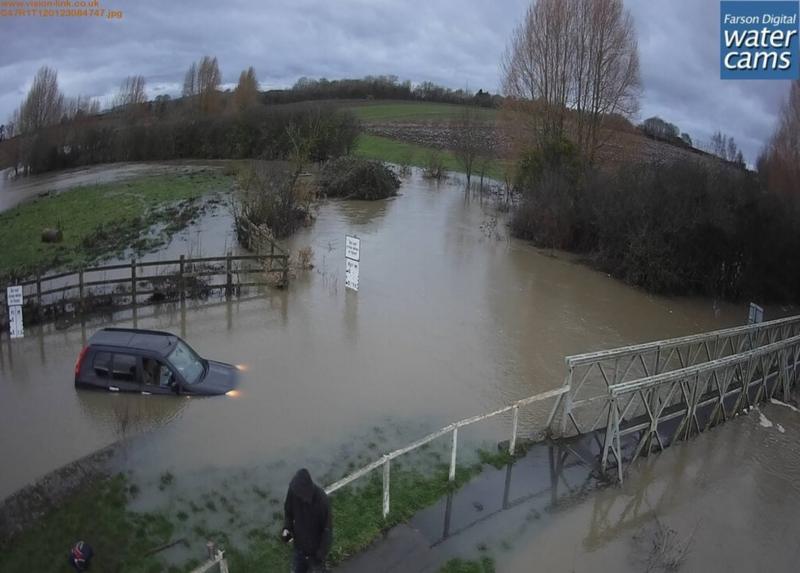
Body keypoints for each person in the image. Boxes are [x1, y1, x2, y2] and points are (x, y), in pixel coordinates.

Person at [282, 468, 332, 572]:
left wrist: (320, 555)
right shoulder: (293, 490)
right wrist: (286, 528)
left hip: (315, 553)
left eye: (299, 493)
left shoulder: (321, 501)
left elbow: (327, 530)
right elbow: (288, 512)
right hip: (299, 548)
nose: (297, 496)